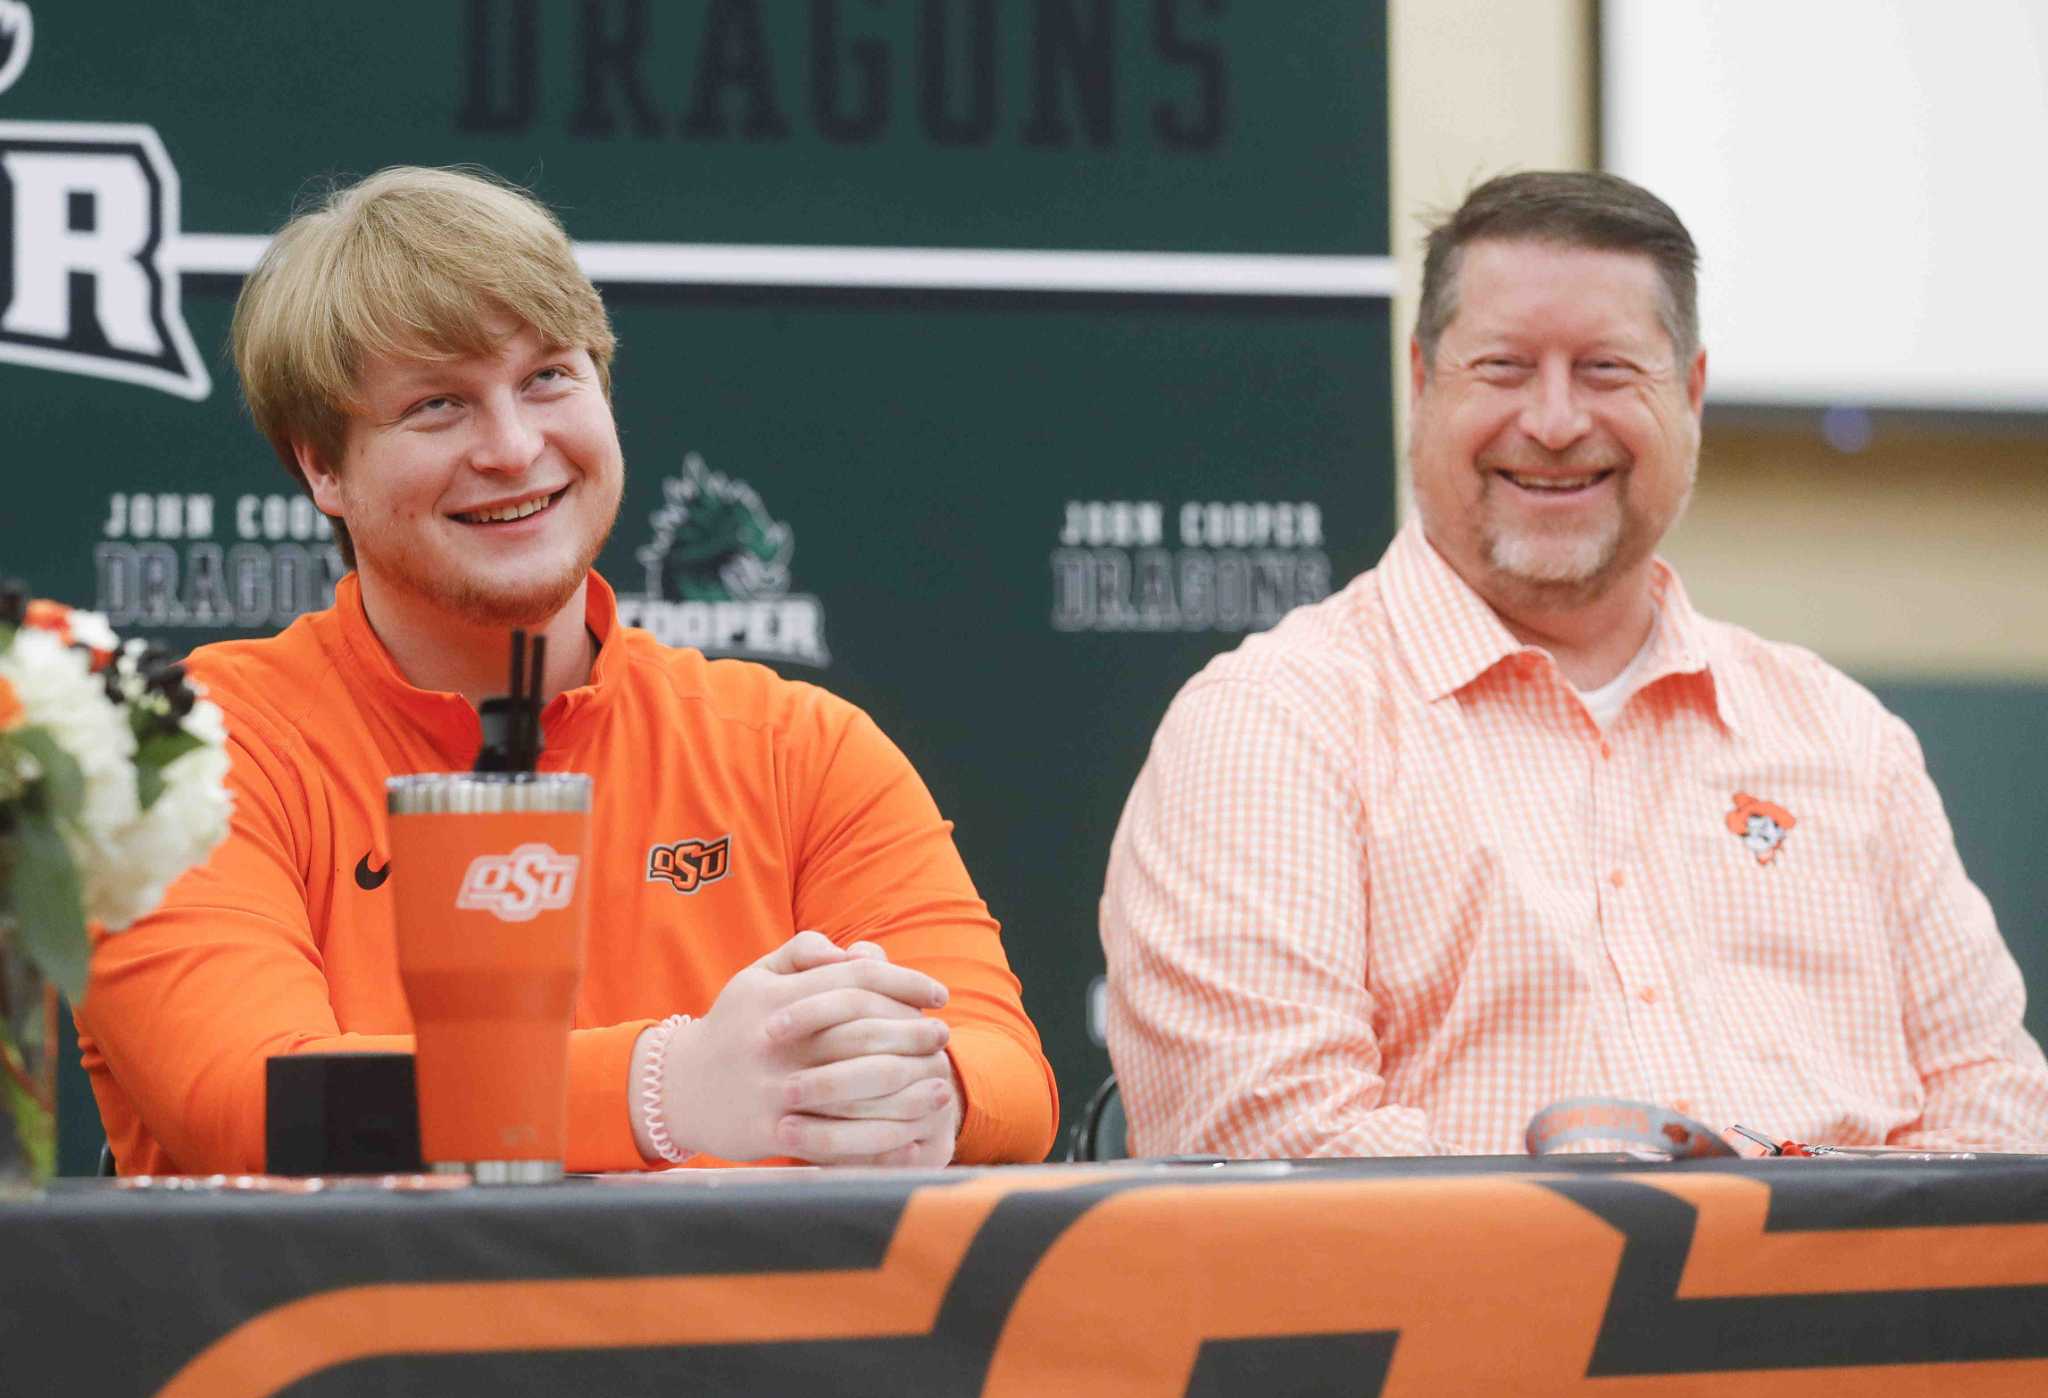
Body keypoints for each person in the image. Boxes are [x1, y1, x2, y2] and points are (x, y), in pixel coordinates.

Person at [77, 166, 1058, 1175]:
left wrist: (913, 1097)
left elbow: (1007, 1078)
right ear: (323, 468)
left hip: (735, 1335)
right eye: (436, 406)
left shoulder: (795, 748)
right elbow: (253, 1102)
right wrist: (666, 1090)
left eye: (548, 376)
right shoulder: (176, 745)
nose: (512, 447)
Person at [1100, 170, 2048, 1158]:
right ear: (1422, 385)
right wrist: (1637, 1278)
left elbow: (1997, 1107)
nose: (1553, 422)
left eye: (1605, 370)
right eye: (1504, 368)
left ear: (1688, 395)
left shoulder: (1846, 741)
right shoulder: (1271, 726)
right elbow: (1269, 1148)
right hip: (1474, 1313)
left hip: (1864, 1309)